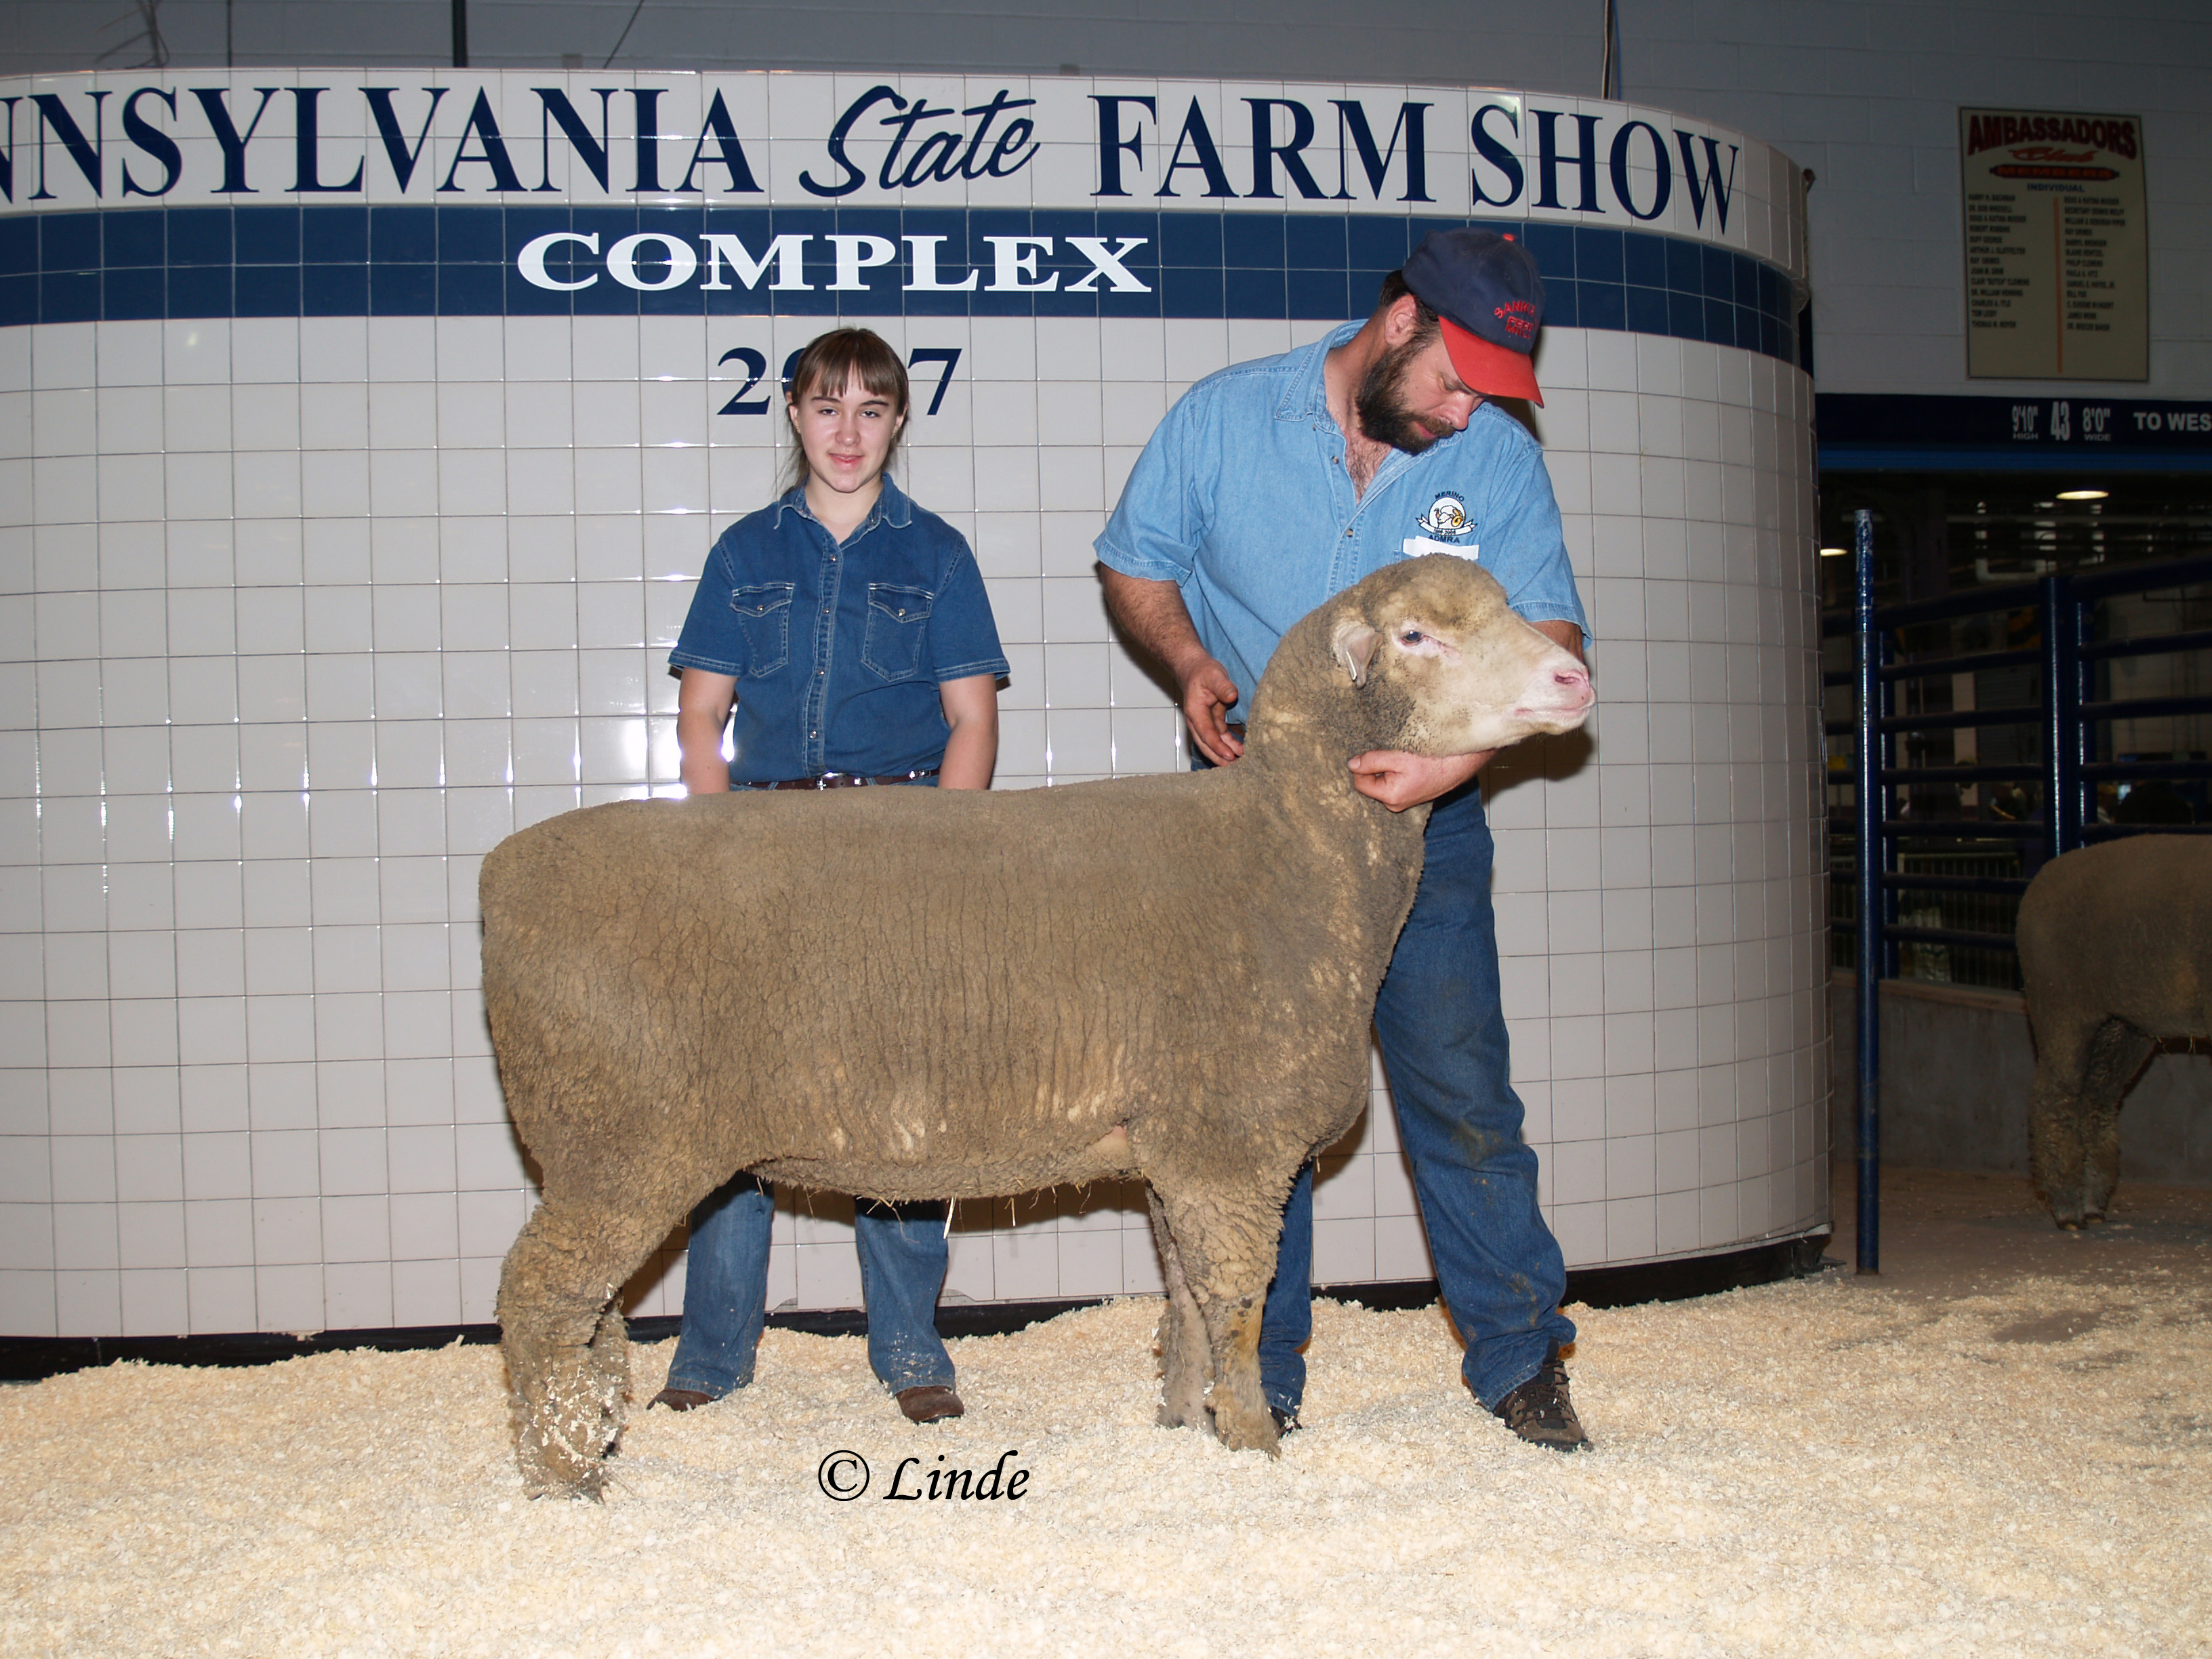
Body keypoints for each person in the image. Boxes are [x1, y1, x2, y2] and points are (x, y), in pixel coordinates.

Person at [1094, 229, 1594, 1450]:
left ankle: (1522, 1360)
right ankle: (1257, 1369)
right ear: (1402, 321)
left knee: (1462, 1086)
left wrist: (1453, 764)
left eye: (1488, 388)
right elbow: (1136, 565)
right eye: (1454, 376)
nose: (1466, 406)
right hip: (1252, 820)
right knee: (1253, 1096)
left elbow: (1552, 632)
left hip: (1427, 817)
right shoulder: (1225, 417)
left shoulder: (1496, 459)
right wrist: (1192, 662)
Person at [652, 327, 1008, 1425]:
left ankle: (909, 1350)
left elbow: (972, 722)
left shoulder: (939, 554)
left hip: (898, 847)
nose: (846, 432)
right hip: (763, 851)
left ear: (899, 421)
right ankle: (713, 1356)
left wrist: (939, 862)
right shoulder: (742, 555)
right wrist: (720, 850)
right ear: (794, 416)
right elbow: (701, 721)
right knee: (735, 1107)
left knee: (901, 1106)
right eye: (824, 407)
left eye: (870, 410)